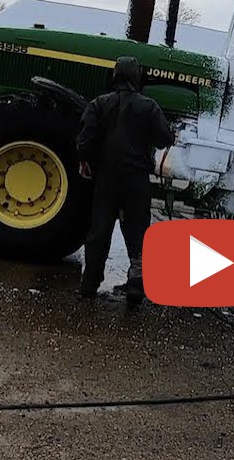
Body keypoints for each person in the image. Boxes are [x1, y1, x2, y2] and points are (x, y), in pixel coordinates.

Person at [75, 56, 175, 302]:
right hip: (136, 180)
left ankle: (90, 282)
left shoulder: (99, 104)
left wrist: (85, 160)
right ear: (136, 78)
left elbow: (85, 140)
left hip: (106, 178)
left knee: (99, 230)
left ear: (115, 76)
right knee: (138, 232)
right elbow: (163, 139)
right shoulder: (149, 106)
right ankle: (136, 285)